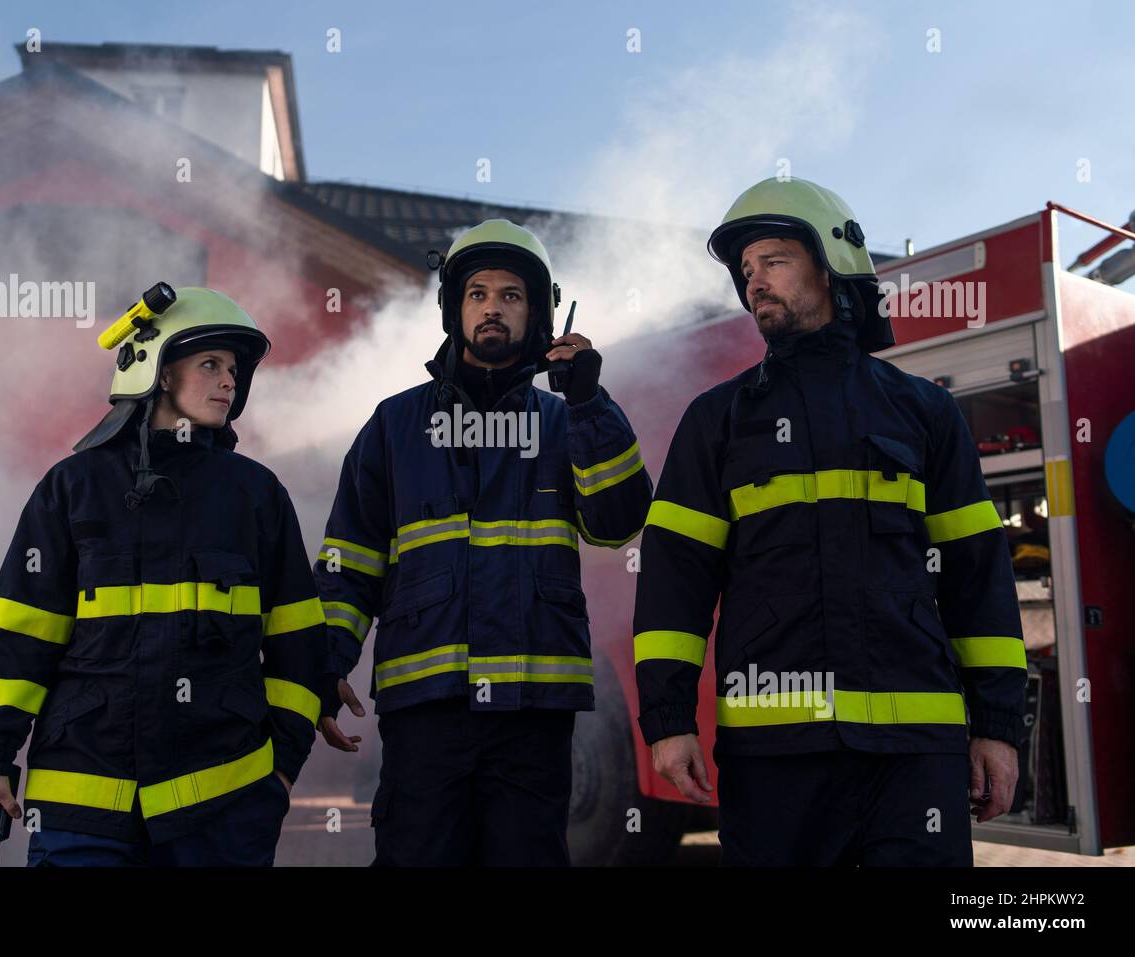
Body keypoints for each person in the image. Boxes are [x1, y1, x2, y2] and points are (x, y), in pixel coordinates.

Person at [633, 178, 1027, 866]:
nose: (755, 281)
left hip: (914, 760)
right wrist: (667, 722)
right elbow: (674, 581)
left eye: (775, 260)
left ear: (832, 264)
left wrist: (996, 725)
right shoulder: (715, 421)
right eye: (746, 271)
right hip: (777, 757)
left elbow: (978, 576)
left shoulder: (924, 413)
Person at [315, 220, 653, 865]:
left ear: (539, 314)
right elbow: (349, 559)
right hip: (427, 706)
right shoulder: (396, 424)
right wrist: (326, 660)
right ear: (454, 310)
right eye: (477, 293)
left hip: (534, 707)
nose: (492, 306)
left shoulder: (567, 419)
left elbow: (618, 523)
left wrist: (589, 405)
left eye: (510, 294)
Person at [0, 286, 325, 866]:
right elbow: (19, 635)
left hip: (223, 809)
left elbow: (298, 643)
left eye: (234, 369)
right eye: (210, 363)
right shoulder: (72, 488)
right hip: (82, 809)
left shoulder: (256, 497)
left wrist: (278, 773)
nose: (229, 381)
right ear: (154, 368)